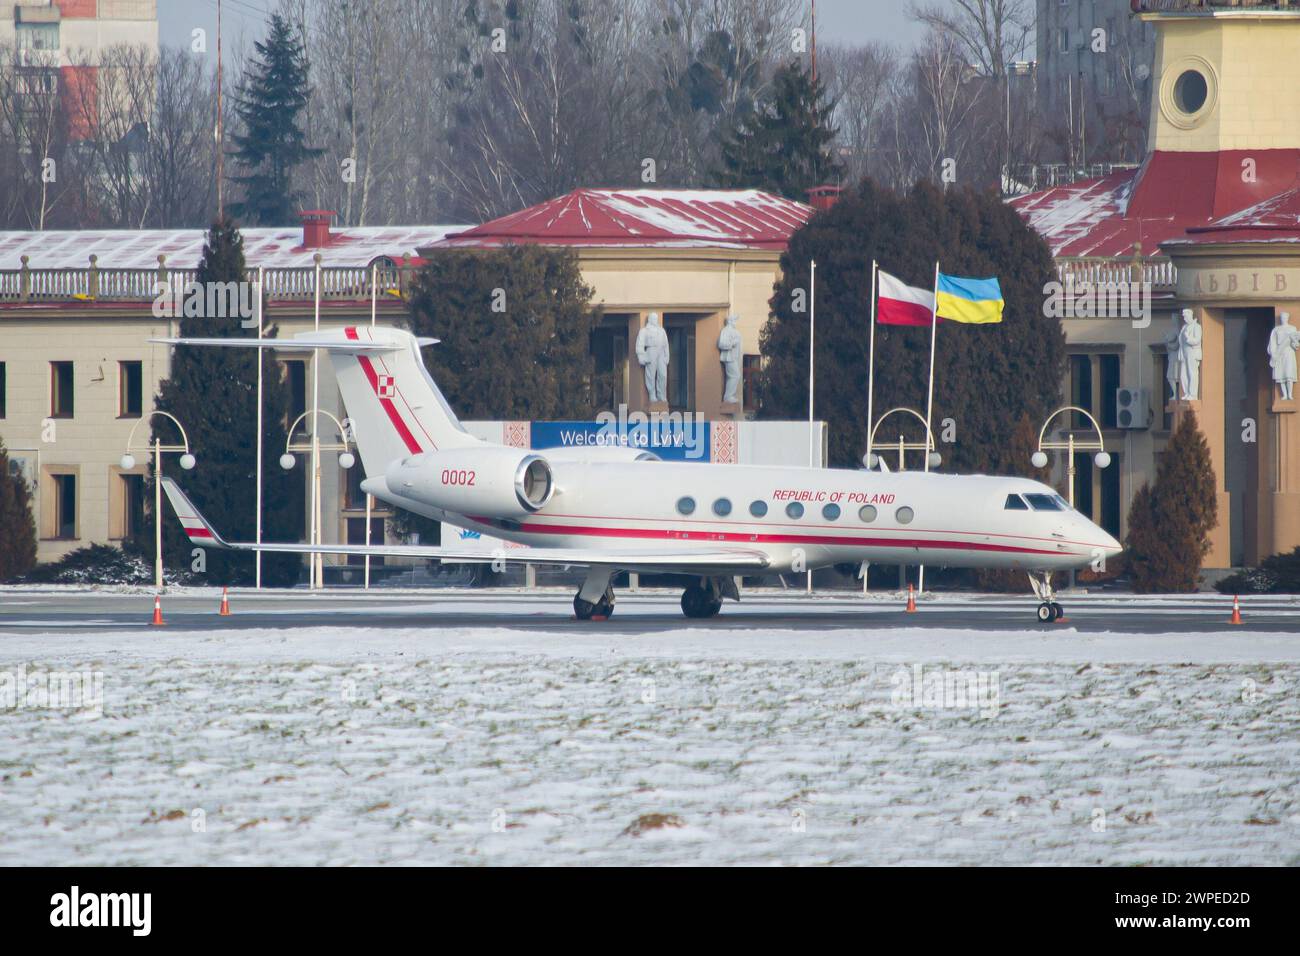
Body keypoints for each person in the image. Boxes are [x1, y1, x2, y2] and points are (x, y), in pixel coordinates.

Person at [635, 312, 670, 404]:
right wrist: (641, 356)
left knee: (663, 375)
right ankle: (652, 394)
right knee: (651, 375)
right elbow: (640, 344)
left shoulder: (661, 330)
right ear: (649, 319)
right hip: (651, 351)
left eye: (656, 318)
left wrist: (667, 356)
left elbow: (666, 344)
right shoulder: (644, 331)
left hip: (661, 352)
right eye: (653, 318)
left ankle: (661, 395)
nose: (655, 320)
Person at [1268, 311, 1300, 401]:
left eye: (1285, 317)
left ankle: (1290, 394)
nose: (1283, 319)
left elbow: (1295, 344)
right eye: (1282, 317)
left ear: (1287, 318)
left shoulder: (1293, 328)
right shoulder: (1276, 329)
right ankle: (1284, 395)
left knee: (1289, 373)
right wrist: (1273, 353)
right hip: (1279, 353)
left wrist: (1296, 343)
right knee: (1280, 374)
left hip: (1289, 352)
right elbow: (1272, 342)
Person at [1177, 308, 1202, 401]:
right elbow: (1180, 341)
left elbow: (1197, 340)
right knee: (1183, 374)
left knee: (1192, 372)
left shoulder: (1196, 326)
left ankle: (1192, 394)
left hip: (1192, 351)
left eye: (1185, 316)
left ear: (1190, 315)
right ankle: (1187, 392)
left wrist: (1188, 338)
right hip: (1184, 353)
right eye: (1183, 316)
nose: (1184, 318)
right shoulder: (1184, 327)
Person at [717, 314, 743, 405]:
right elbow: (721, 344)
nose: (735, 322)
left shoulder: (734, 331)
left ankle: (729, 396)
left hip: (733, 357)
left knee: (735, 375)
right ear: (730, 321)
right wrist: (732, 343)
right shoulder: (725, 330)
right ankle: (728, 396)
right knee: (735, 375)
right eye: (734, 320)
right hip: (729, 357)